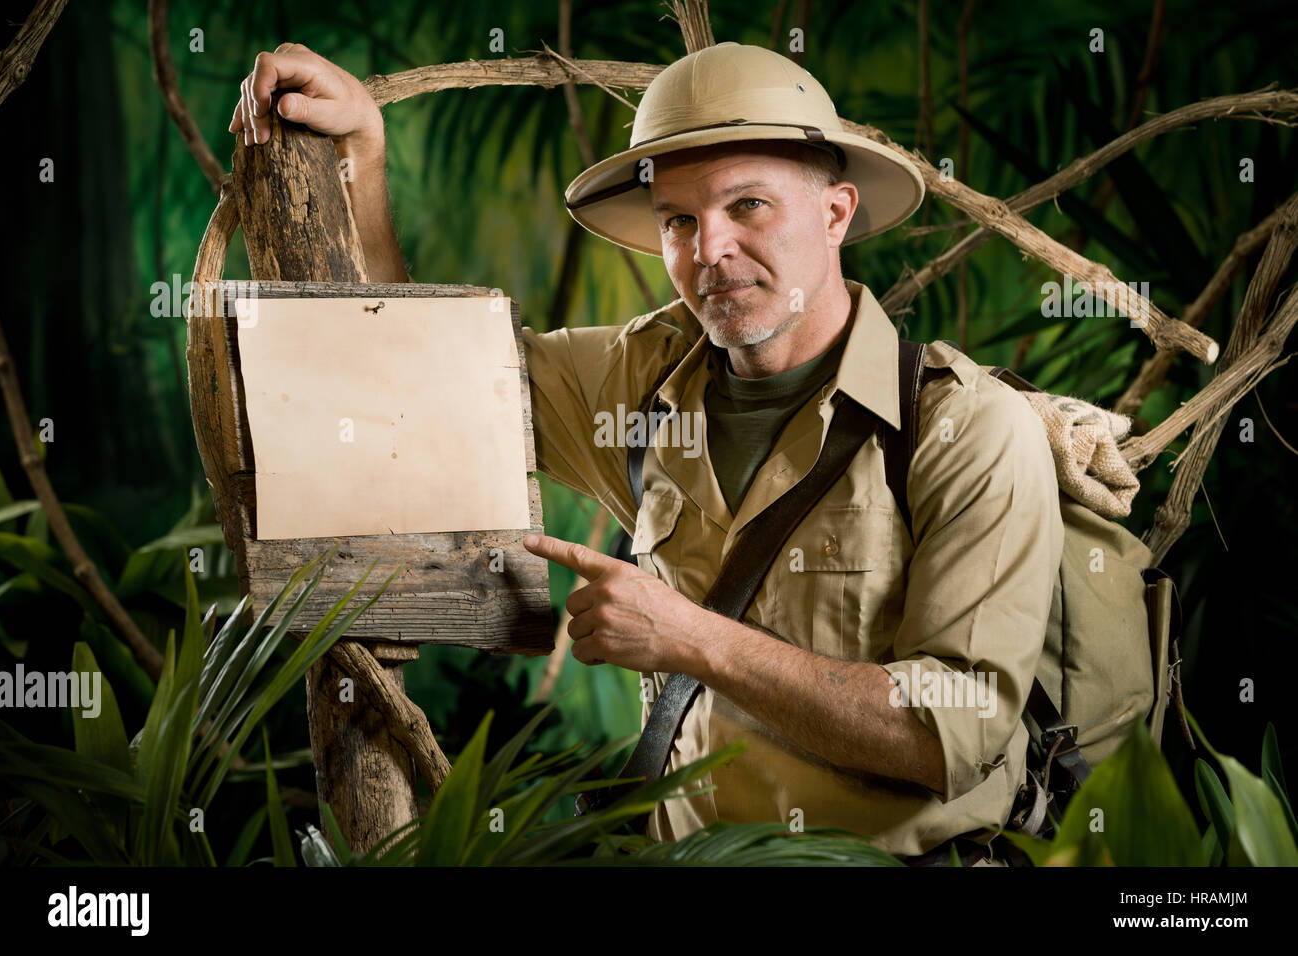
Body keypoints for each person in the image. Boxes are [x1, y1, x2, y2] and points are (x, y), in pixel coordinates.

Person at [230, 40, 1064, 863]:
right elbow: (419, 381)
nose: (709, 252)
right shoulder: (640, 383)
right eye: (679, 220)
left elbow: (948, 733)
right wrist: (362, 157)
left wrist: (687, 636)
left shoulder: (965, 430)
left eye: (748, 207)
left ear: (837, 213)